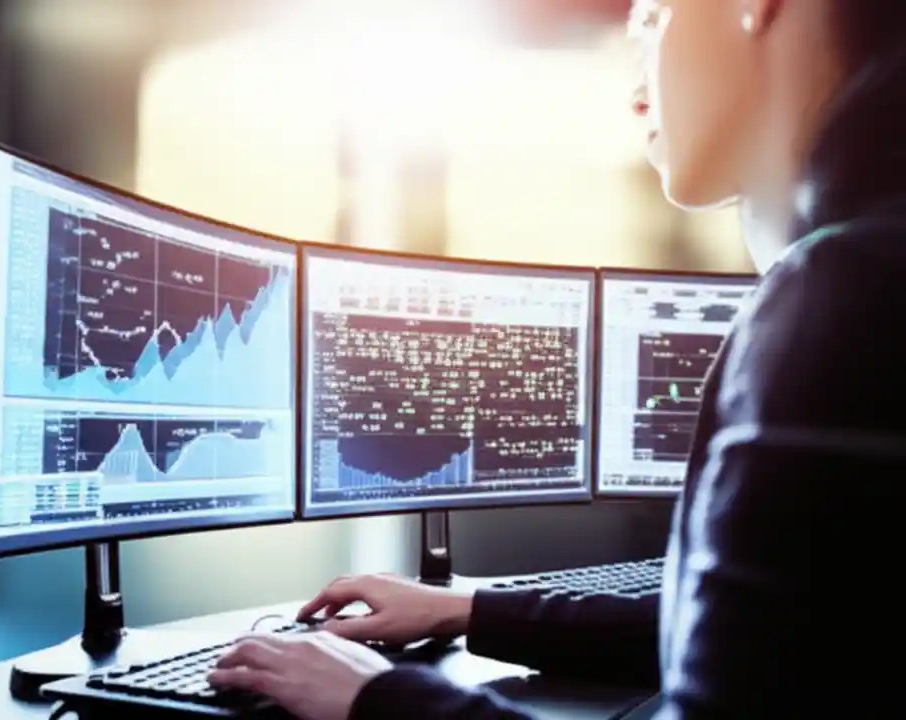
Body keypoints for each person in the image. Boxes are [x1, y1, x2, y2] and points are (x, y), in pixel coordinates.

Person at [210, 1, 906, 717]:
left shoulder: (845, 295)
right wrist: (469, 609)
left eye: (653, 19)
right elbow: (778, 642)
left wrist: (376, 697)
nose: (636, 91)